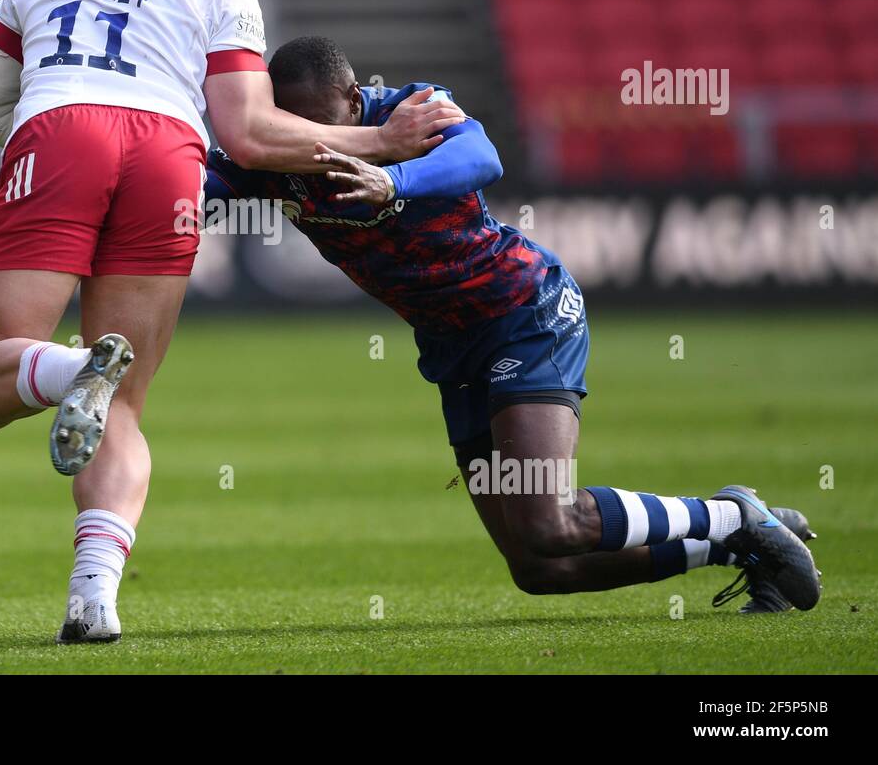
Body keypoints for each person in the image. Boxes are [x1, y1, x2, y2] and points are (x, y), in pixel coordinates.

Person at [0, 0, 455, 644]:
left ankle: (73, 364)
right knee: (122, 410)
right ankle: (94, 597)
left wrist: (51, 157)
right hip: (168, 156)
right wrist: (382, 140)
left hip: (62, 133)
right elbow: (251, 134)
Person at [204, 35, 821, 614]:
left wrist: (392, 177)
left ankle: (734, 515)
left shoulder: (412, 109)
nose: (319, 145)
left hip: (524, 314)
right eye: (298, 125)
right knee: (540, 566)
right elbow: (195, 190)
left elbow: (482, 156)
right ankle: (735, 543)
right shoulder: (273, 159)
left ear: (356, 96)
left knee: (553, 519)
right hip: (452, 349)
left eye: (326, 123)